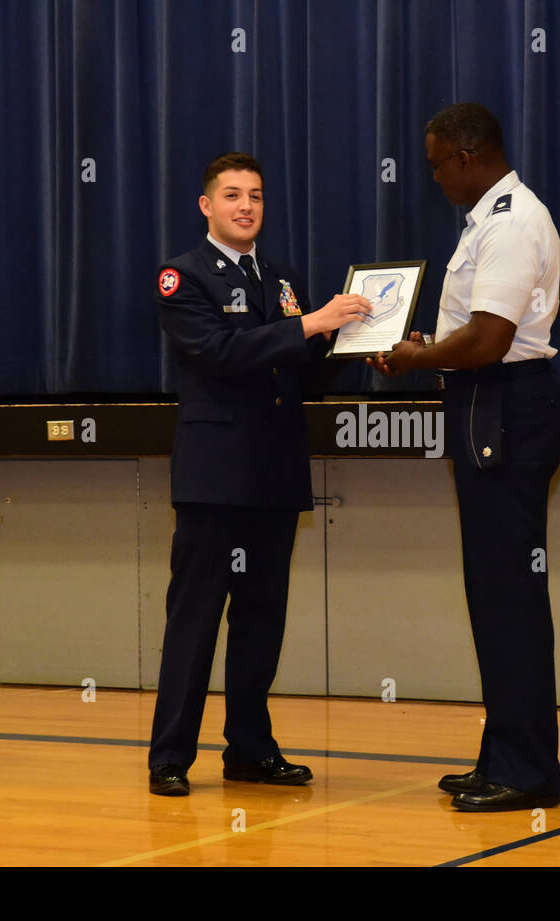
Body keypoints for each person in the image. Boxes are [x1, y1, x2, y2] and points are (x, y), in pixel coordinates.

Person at [149, 152, 370, 796]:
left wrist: (350, 342)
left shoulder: (281, 278)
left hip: (273, 475)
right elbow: (218, 354)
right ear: (206, 207)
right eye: (233, 195)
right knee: (195, 618)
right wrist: (311, 324)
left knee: (261, 617)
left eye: (256, 196)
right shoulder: (181, 277)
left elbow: (299, 376)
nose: (247, 206)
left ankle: (249, 748)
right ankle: (170, 756)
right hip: (215, 479)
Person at [369, 103, 560, 811]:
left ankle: (527, 771)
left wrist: (421, 355)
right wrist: (433, 349)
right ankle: (503, 755)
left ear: (469, 153)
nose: (432, 175)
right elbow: (473, 333)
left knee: (509, 595)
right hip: (491, 405)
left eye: (436, 162)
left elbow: (487, 339)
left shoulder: (511, 222)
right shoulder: (491, 218)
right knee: (493, 594)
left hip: (506, 405)